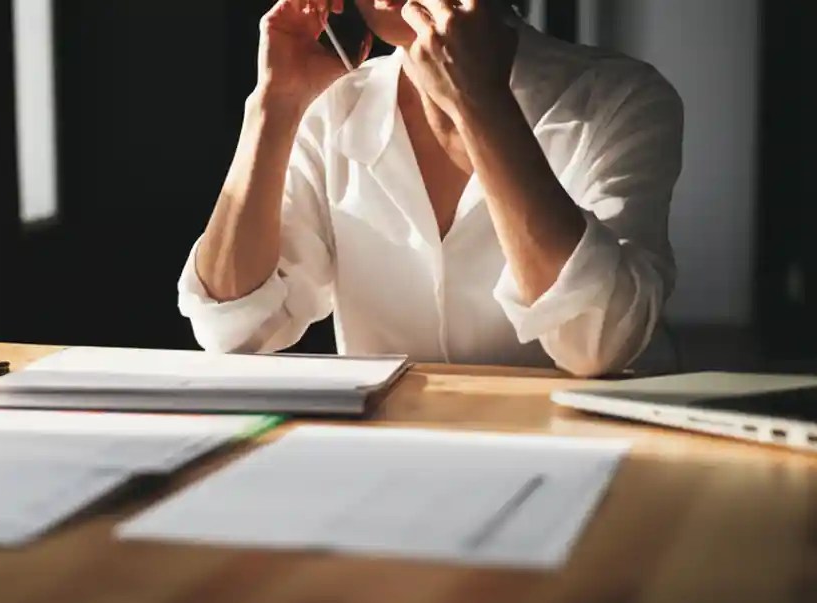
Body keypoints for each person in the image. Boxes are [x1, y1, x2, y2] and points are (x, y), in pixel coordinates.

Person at [179, 0, 683, 377]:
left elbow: (597, 344)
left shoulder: (622, 99)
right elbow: (232, 330)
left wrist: (479, 103)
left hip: (579, 456)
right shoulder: (332, 106)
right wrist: (273, 104)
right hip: (391, 461)